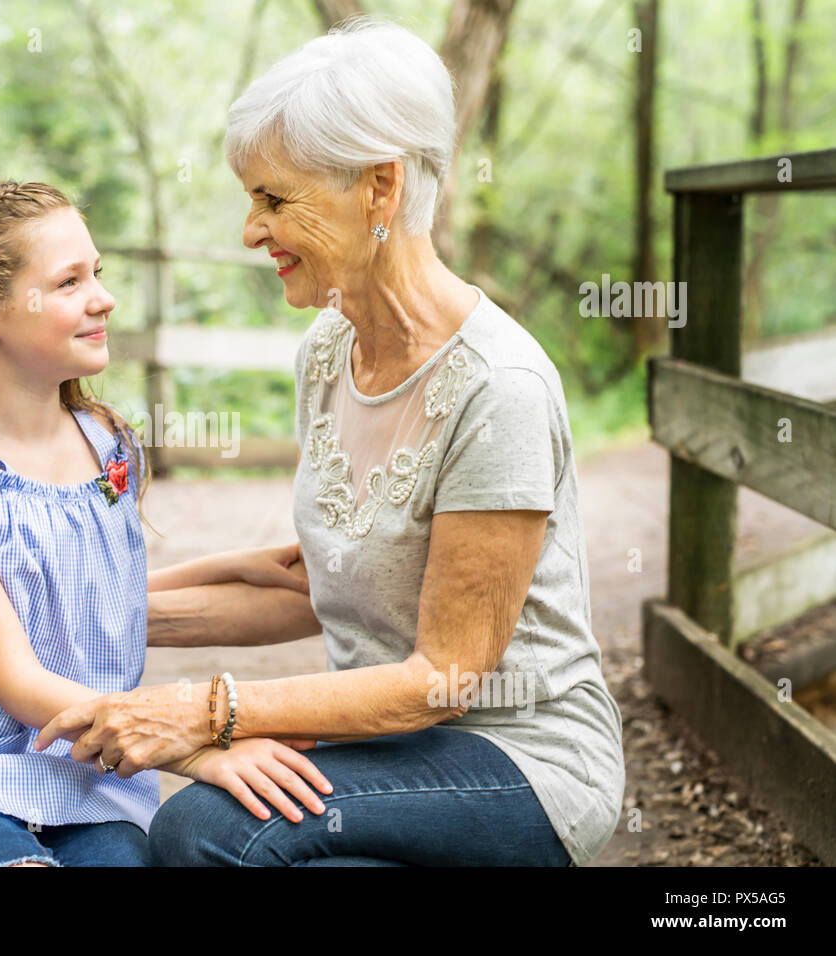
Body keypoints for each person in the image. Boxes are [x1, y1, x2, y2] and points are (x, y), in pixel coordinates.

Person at [34, 15, 626, 867]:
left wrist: (208, 711)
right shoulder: (328, 347)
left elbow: (445, 678)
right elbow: (314, 589)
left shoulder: (502, 390)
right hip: (383, 748)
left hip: (517, 756)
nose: (249, 229)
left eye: (274, 199)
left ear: (380, 188)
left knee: (207, 832)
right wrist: (65, 612)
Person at [0, 177, 331, 866]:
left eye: (98, 273)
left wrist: (228, 567)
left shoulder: (107, 444)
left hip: (91, 788)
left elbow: (74, 592)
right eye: (68, 282)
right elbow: (15, 676)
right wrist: (196, 745)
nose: (103, 297)